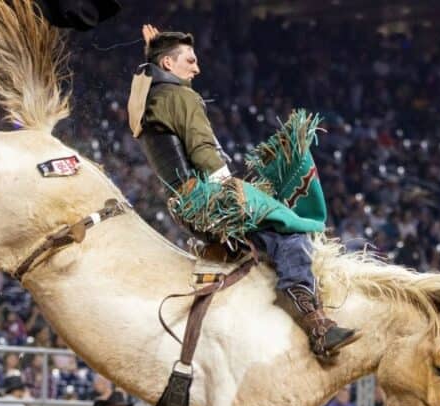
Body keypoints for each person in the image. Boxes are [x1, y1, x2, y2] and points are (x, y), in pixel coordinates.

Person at [129, 26, 356, 360]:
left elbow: (148, 84)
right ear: (168, 62)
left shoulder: (149, 97)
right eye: (190, 61)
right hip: (207, 199)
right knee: (292, 226)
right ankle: (315, 322)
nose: (197, 68)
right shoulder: (182, 97)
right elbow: (202, 147)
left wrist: (151, 55)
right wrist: (233, 189)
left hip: (185, 204)